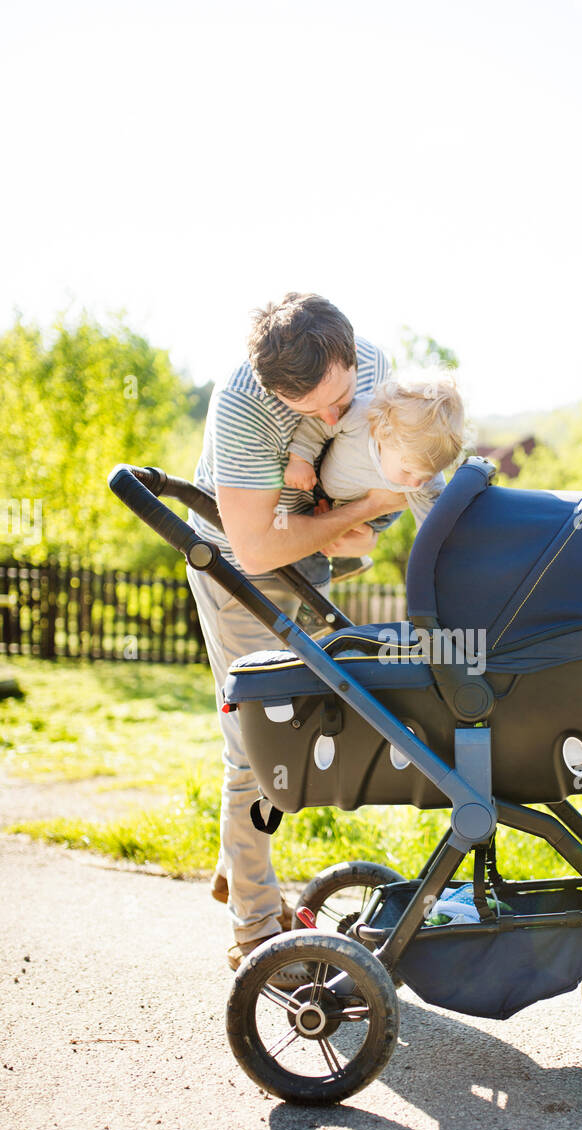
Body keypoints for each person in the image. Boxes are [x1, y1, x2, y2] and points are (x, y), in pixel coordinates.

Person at [186, 291, 405, 972]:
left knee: (294, 726)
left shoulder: (371, 364)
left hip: (311, 551)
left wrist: (353, 524)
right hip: (236, 564)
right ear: (275, 391)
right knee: (255, 739)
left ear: (349, 353)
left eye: (338, 400)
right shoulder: (244, 406)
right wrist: (363, 510)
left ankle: (236, 868)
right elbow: (255, 549)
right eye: (310, 412)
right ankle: (253, 925)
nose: (331, 419)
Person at [283, 372, 466, 528]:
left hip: (366, 508)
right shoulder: (360, 415)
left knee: (355, 530)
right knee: (301, 523)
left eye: (429, 475)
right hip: (322, 484)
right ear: (383, 432)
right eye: (408, 471)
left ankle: (346, 552)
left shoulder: (424, 474)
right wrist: (300, 460)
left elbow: (434, 523)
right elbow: (316, 427)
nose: (416, 483)